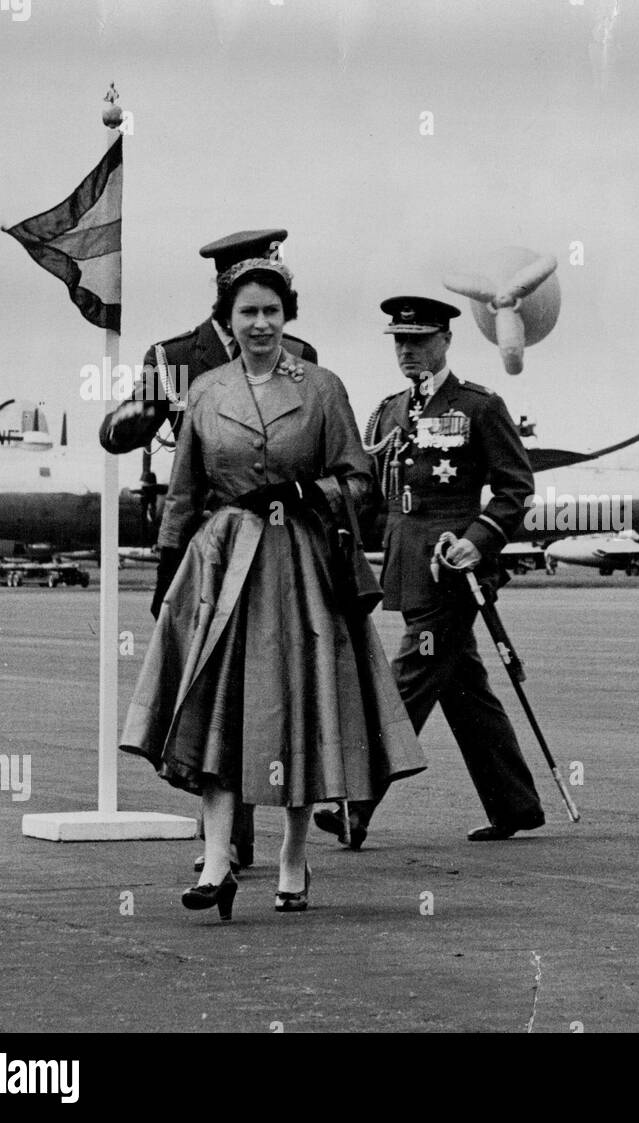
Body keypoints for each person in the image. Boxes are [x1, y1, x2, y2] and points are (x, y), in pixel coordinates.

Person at [119, 258, 425, 917]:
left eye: (272, 311)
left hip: (298, 563)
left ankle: (292, 855)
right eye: (248, 312)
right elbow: (183, 492)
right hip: (221, 568)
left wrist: (305, 491)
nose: (260, 324)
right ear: (227, 321)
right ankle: (218, 862)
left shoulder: (321, 387)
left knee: (300, 708)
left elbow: (359, 480)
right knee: (217, 708)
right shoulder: (205, 391)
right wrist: (169, 573)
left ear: (288, 317)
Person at [100, 229, 318, 875]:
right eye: (247, 291)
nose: (260, 315)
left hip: (277, 537)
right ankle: (226, 843)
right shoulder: (174, 355)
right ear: (224, 289)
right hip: (208, 540)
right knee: (216, 685)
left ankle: (247, 844)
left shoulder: (302, 356)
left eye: (271, 290)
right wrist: (140, 415)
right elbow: (121, 434)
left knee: (265, 683)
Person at [314, 295, 545, 846]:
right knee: (464, 688)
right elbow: (373, 494)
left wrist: (476, 543)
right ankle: (515, 805)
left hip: (451, 570)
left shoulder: (479, 406)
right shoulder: (389, 411)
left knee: (405, 684)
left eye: (418, 340)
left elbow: (515, 488)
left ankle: (355, 806)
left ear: (445, 340)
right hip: (406, 563)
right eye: (400, 340)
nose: (407, 350)